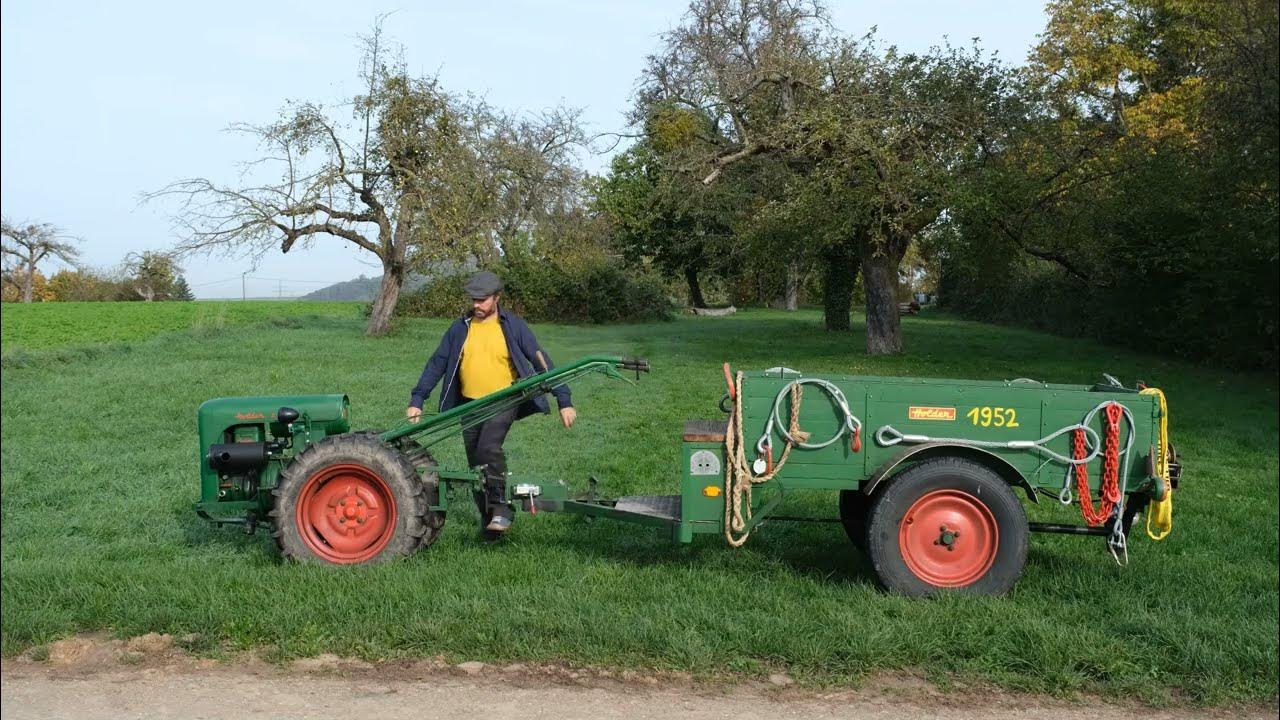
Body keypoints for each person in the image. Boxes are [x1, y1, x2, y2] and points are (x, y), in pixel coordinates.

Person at [406, 270, 576, 535]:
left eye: (483, 300)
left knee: (488, 449)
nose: (477, 305)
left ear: (497, 297)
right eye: (474, 299)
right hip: (469, 405)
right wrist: (418, 398)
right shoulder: (459, 328)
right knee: (476, 466)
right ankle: (490, 526)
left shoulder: (513, 326)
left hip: (503, 400)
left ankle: (502, 509)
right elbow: (437, 363)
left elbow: (540, 360)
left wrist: (563, 399)